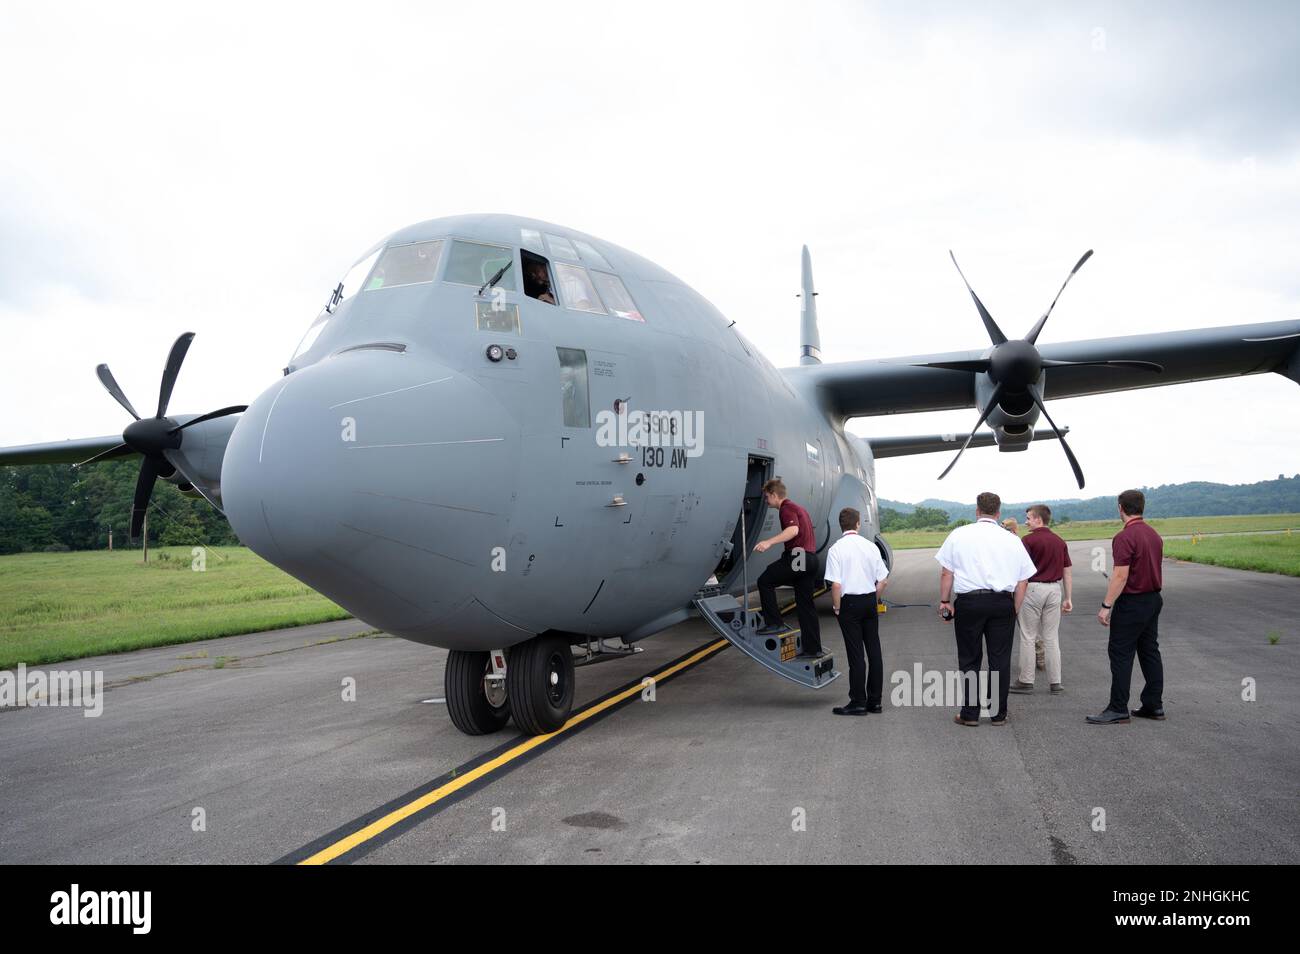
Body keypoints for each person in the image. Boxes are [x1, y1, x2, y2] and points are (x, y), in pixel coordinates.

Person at [936, 492, 1037, 727]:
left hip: (969, 602)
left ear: (977, 511)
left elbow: (946, 572)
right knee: (999, 659)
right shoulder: (1012, 539)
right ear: (998, 512)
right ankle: (998, 713)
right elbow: (1023, 581)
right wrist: (1014, 607)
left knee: (970, 658)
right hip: (1002, 602)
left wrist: (944, 601)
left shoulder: (958, 535)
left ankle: (970, 713)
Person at [1087, 490, 1166, 725]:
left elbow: (1121, 575)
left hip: (1132, 602)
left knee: (1121, 654)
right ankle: (1154, 704)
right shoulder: (1154, 535)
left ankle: (1118, 707)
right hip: (1153, 599)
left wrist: (1106, 605)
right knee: (1150, 651)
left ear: (1120, 507)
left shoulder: (1124, 537)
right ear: (1141, 507)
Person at [824, 507, 890, 716]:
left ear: (841, 525)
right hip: (869, 600)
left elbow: (835, 585)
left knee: (856, 655)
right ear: (858, 524)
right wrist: (874, 598)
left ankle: (858, 702)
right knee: (874, 650)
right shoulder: (870, 547)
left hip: (849, 603)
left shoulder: (836, 549)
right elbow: (883, 580)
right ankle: (875, 701)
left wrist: (837, 606)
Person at [753, 479, 822, 656]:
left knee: (765, 581)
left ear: (774, 495)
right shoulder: (801, 509)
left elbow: (793, 531)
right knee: (806, 606)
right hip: (811, 558)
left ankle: (774, 623)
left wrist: (768, 542)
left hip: (798, 557)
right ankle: (814, 649)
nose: (766, 501)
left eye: (767, 497)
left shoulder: (787, 508)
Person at [1009, 504, 1072, 695]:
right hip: (1054, 589)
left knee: (1028, 636)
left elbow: (1019, 571)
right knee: (1052, 637)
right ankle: (1056, 682)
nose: (1026, 521)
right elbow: (1067, 571)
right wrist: (1068, 597)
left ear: (1038, 519)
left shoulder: (1027, 541)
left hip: (1033, 588)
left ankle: (1026, 680)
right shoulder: (1059, 541)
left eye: (1029, 517)